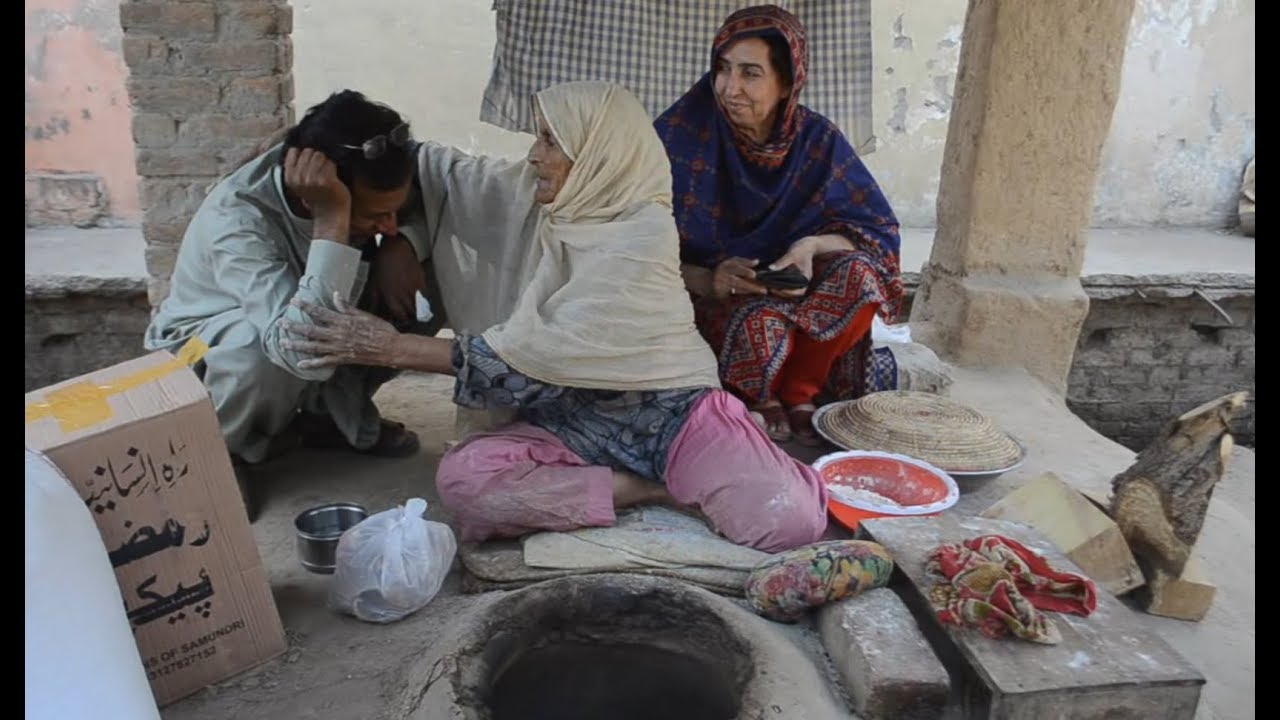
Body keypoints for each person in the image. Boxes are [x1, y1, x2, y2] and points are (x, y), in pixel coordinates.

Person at [281, 81, 829, 553]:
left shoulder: (639, 231)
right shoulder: (550, 206)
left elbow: (523, 366)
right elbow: (442, 170)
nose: (533, 157)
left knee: (790, 519)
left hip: (672, 413)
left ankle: (700, 454)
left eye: (549, 140)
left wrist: (391, 348)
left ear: (595, 155)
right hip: (567, 417)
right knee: (464, 483)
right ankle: (651, 489)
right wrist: (341, 176)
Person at [143, 90, 446, 518]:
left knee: (435, 281)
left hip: (305, 319)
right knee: (258, 349)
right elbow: (302, 352)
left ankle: (328, 417)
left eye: (393, 213)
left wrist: (402, 247)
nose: (388, 225)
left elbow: (430, 201)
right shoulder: (236, 221)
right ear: (315, 197)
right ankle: (218, 454)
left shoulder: (373, 168)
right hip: (205, 349)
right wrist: (332, 223)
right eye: (376, 217)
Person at [655, 5, 905, 446]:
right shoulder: (678, 136)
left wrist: (810, 246)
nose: (731, 88)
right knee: (759, 324)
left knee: (863, 276)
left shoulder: (817, 140)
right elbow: (633, 246)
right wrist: (709, 279)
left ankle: (800, 392)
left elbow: (876, 230)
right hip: (708, 297)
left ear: (787, 81)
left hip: (795, 293)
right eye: (723, 69)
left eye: (751, 73)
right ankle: (756, 395)